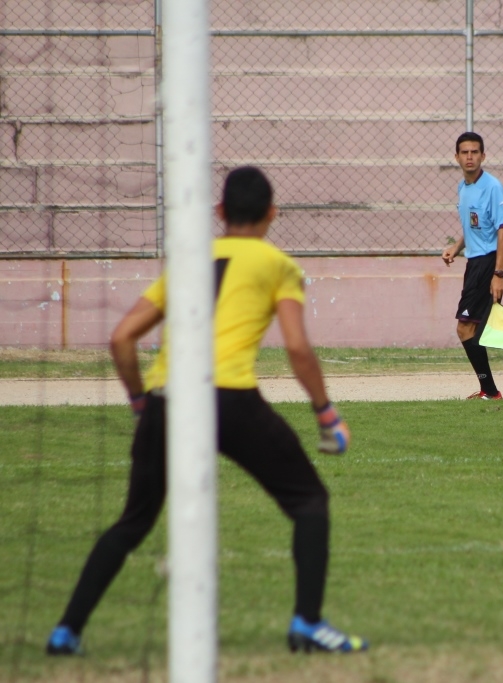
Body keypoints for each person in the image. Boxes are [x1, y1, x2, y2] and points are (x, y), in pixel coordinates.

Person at [45, 167, 368, 656]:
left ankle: (65, 631)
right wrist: (325, 412)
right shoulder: (276, 263)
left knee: (133, 521)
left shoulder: (190, 261)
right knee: (309, 503)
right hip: (228, 398)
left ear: (219, 213)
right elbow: (298, 347)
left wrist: (140, 403)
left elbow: (121, 339)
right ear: (272, 214)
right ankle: (307, 623)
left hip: (167, 400)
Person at [441, 131, 503, 400]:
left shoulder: (492, 187)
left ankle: (490, 391)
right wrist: (456, 248)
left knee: (466, 328)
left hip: (489, 263)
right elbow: (473, 226)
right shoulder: (463, 187)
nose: (469, 157)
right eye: (464, 152)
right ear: (456, 157)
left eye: (474, 152)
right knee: (475, 328)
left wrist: (498, 272)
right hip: (474, 263)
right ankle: (489, 389)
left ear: (483, 156)